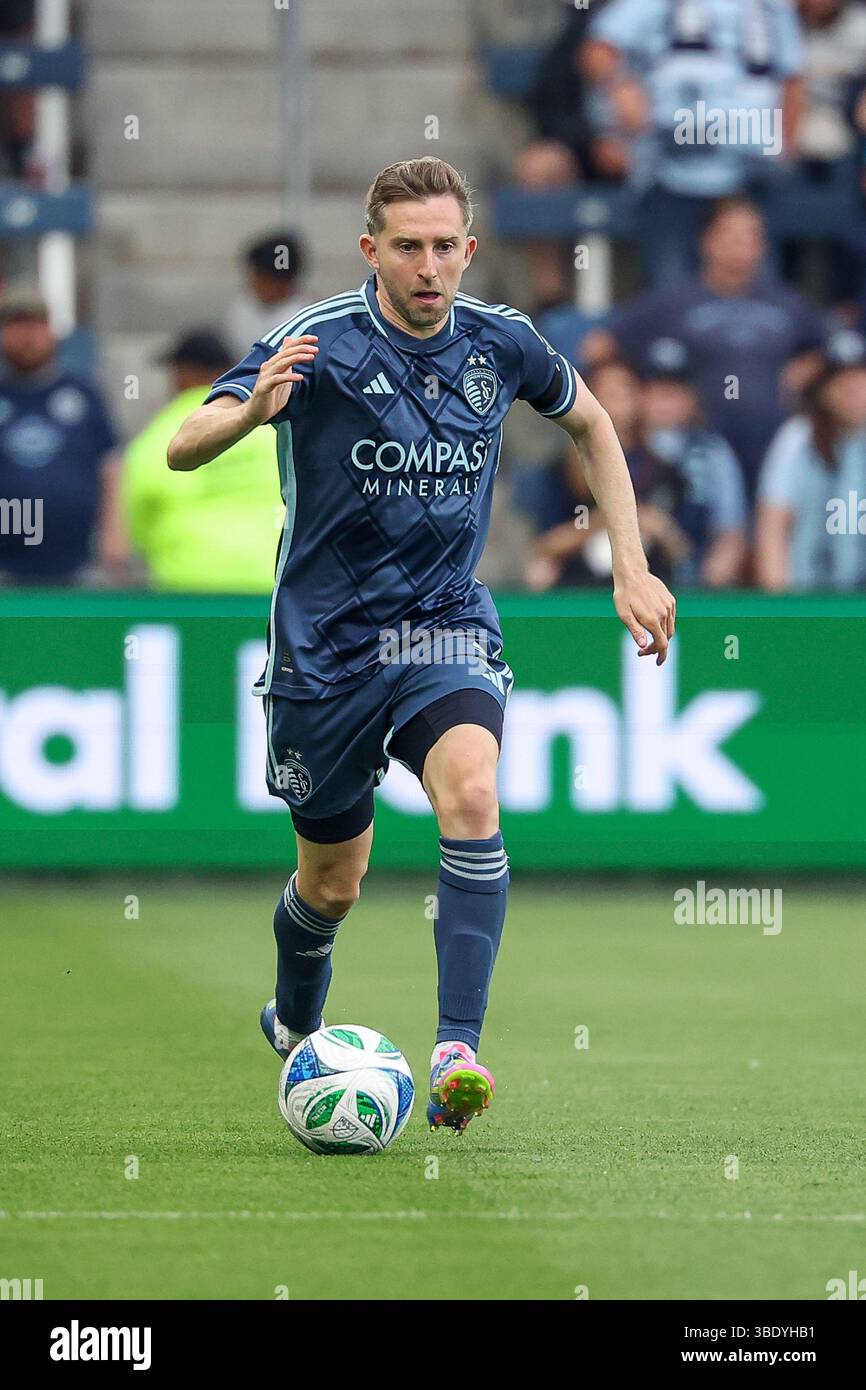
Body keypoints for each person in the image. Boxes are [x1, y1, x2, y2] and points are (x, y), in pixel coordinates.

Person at [167, 157, 675, 1135]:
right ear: (372, 250)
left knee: (473, 792)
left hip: (442, 624)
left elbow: (593, 423)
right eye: (408, 246)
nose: (428, 264)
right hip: (323, 650)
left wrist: (629, 564)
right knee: (333, 881)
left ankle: (456, 1051)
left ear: (469, 250)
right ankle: (297, 1023)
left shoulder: (502, 343)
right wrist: (249, 414)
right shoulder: (313, 341)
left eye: (445, 245)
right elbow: (182, 444)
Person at [585, 198, 826, 498]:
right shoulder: (673, 302)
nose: (740, 246)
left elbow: (831, 353)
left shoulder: (788, 304)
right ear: (706, 240)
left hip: (773, 442)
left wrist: (804, 371)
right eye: (730, 235)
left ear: (762, 246)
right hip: (695, 448)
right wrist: (638, 395)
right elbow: (598, 348)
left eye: (750, 237)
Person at [584, 0, 806, 287]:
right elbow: (599, 50)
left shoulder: (773, 6)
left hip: (750, 172)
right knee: (671, 289)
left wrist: (785, 150)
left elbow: (793, 79)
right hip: (669, 168)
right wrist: (621, 86)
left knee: (756, 293)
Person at [122, 330, 280, 592]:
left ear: (184, 373)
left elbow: (137, 517)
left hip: (187, 588)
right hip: (268, 582)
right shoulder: (272, 425)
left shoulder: (164, 432)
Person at [0, 284, 122, 586]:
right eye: (16, 325)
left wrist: (114, 533)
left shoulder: (82, 395)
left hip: (77, 562)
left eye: (35, 324)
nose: (27, 336)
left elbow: (111, 466)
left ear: (51, 331)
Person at [755, 332, 866, 590]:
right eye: (841, 381)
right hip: (808, 599)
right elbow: (773, 528)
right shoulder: (797, 438)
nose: (853, 390)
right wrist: (781, 608)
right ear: (823, 390)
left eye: (860, 379)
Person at [224, 230, 308, 359]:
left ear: (283, 282)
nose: (253, 283)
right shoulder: (243, 308)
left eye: (260, 277)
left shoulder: (304, 320)